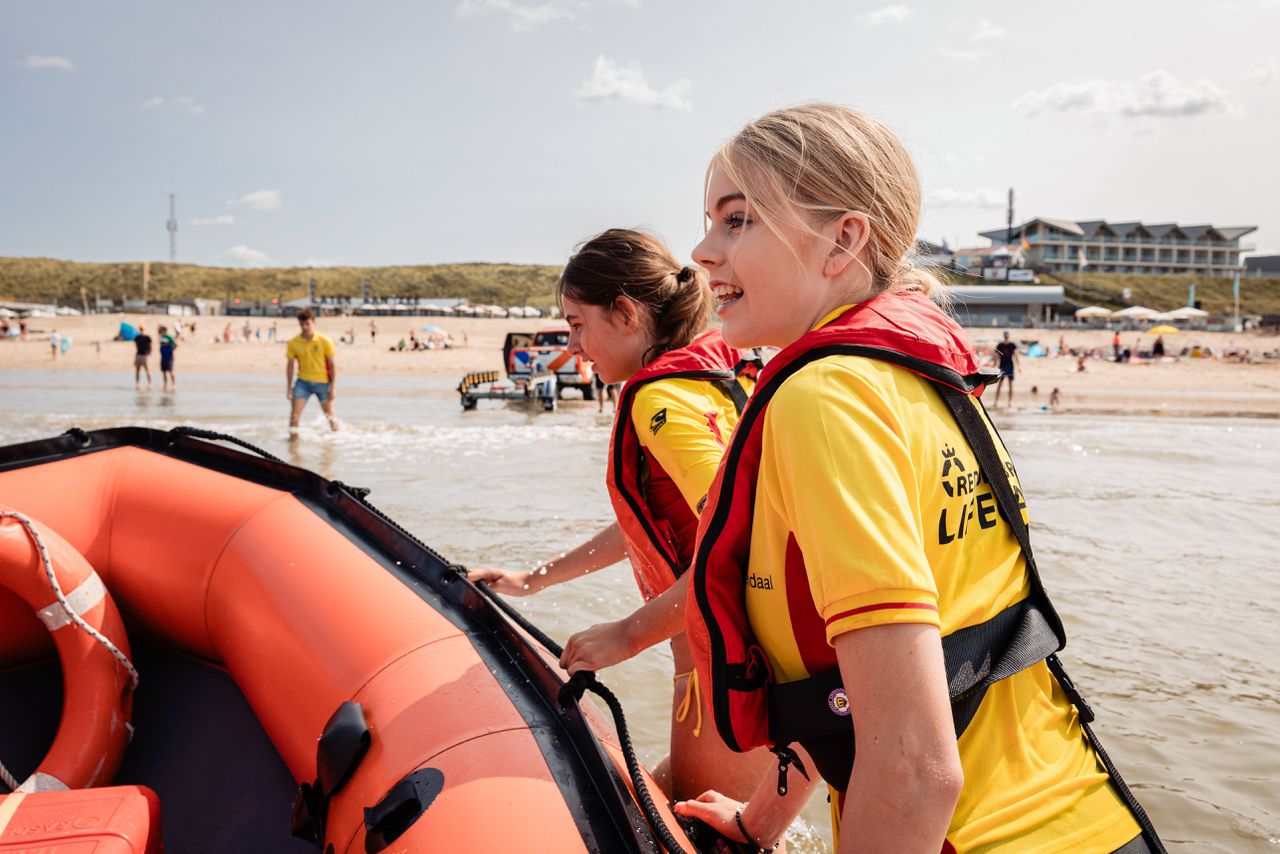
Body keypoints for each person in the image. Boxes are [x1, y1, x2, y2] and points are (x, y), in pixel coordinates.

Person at [674, 104, 1158, 853]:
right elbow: (848, 686)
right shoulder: (919, 377)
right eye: (709, 221)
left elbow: (913, 767)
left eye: (738, 221)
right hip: (1089, 821)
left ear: (844, 240)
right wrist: (759, 821)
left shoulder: (826, 397)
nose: (704, 251)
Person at [469, 229, 777, 808]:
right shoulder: (710, 380)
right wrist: (532, 580)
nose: (573, 344)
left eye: (578, 323)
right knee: (668, 804)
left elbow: (747, 538)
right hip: (740, 658)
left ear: (626, 313)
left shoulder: (660, 401)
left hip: (736, 666)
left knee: (692, 826)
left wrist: (626, 636)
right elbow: (650, 527)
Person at [286, 309, 339, 436]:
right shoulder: (293, 342)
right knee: (294, 416)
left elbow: (332, 365)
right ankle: (293, 445)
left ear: (314, 322)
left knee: (330, 415)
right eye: (302, 324)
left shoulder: (325, 341)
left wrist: (333, 387)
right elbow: (290, 366)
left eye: (307, 324)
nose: (304, 327)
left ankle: (337, 438)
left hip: (323, 382)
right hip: (303, 383)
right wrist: (289, 387)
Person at [994, 329, 1019, 407]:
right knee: (1000, 384)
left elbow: (1016, 355)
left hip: (1010, 366)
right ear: (1004, 337)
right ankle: (996, 401)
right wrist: (995, 363)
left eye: (1007, 337)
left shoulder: (1012, 345)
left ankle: (1009, 402)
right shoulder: (1000, 345)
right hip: (1002, 366)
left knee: (1010, 385)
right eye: (1005, 337)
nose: (1006, 338)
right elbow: (997, 355)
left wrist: (1019, 366)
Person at [158, 324, 177, 391]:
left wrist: (171, 350)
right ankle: (165, 384)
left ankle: (173, 384)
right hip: (163, 356)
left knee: (171, 371)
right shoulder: (162, 337)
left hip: (169, 356)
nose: (161, 331)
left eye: (162, 330)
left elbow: (175, 344)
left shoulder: (169, 337)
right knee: (164, 371)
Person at [133, 324, 153, 389]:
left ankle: (150, 383)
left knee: (147, 369)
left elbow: (150, 346)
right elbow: (136, 345)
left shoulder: (147, 337)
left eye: (142, 329)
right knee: (137, 370)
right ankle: (137, 383)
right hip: (139, 354)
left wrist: (149, 353)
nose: (141, 330)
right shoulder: (137, 337)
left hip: (145, 355)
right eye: (140, 329)